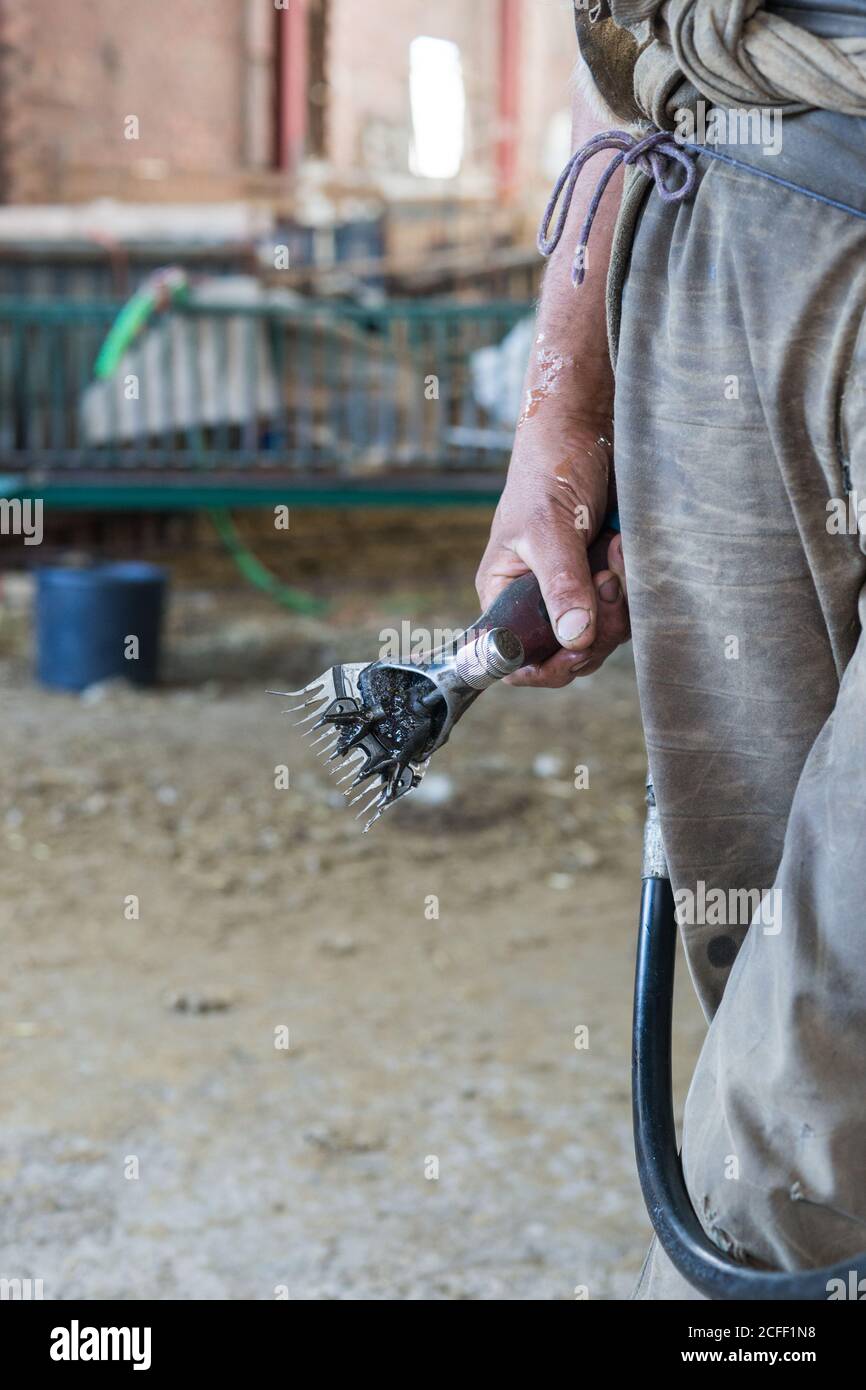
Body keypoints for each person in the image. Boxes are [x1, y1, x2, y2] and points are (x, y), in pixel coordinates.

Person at [475, 0, 866, 1299]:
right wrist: (563, 402)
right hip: (717, 246)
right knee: (750, 961)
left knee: (803, 1083)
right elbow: (626, 77)